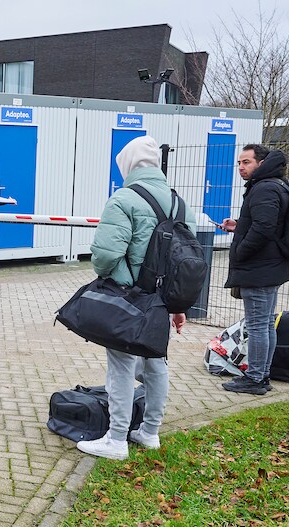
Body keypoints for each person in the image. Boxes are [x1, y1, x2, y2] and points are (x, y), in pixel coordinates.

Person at [78, 136, 187, 461]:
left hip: (131, 298)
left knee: (121, 367)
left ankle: (116, 440)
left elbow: (105, 256)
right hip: (163, 299)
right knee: (156, 364)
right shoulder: (179, 202)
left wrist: (121, 276)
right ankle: (150, 432)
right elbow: (185, 256)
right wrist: (177, 305)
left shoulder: (124, 198)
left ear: (127, 164)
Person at [218, 144, 289, 396]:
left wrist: (241, 251)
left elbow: (264, 228)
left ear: (261, 163)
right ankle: (262, 374)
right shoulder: (273, 185)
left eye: (246, 162)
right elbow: (264, 223)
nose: (241, 167)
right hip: (269, 266)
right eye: (239, 163)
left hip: (259, 267)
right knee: (266, 324)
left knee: (259, 325)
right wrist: (238, 226)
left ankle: (256, 378)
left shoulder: (264, 188)